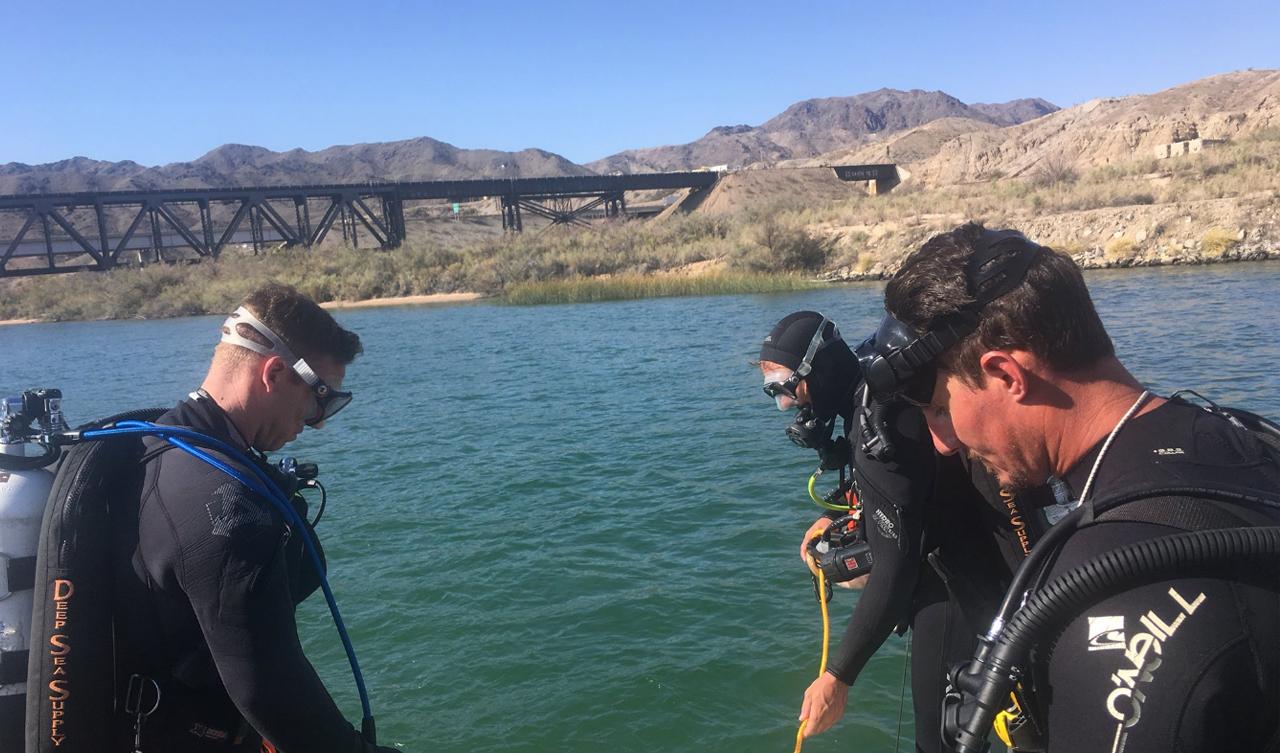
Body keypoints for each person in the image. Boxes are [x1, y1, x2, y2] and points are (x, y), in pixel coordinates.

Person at [878, 222, 1280, 751]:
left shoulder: (1112, 595)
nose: (942, 440)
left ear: (1006, 375)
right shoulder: (1243, 438)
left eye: (939, 408)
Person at [111, 284, 396, 753]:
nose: (319, 421)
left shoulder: (163, 443)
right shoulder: (228, 507)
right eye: (321, 397)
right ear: (275, 373)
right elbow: (269, 690)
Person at [759, 312, 1010, 753]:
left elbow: (896, 567)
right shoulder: (871, 395)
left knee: (940, 744)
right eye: (772, 393)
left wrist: (838, 677)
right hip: (971, 561)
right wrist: (837, 515)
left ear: (822, 368)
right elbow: (899, 489)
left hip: (956, 587)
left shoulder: (879, 420)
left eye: (786, 386)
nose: (786, 404)